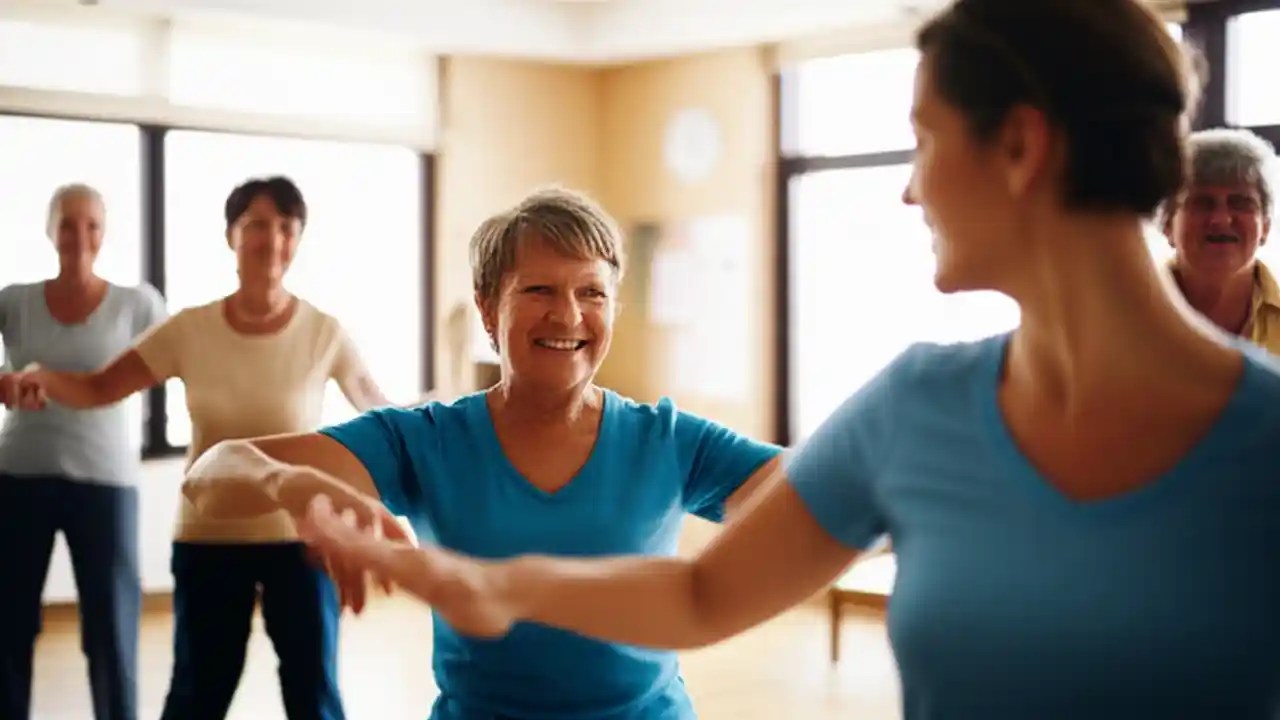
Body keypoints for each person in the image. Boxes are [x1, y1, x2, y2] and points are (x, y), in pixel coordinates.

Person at [298, 1, 1280, 718]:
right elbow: (699, 593)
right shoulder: (913, 410)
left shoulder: (1263, 441)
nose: (907, 191)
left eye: (922, 142)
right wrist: (495, 584)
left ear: (1019, 149)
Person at [176, 187, 782, 720]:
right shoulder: (425, 439)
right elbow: (211, 474)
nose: (568, 315)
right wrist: (289, 484)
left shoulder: (669, 439)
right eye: (539, 289)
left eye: (592, 293)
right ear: (489, 308)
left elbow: (817, 493)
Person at [1, 176, 399, 720]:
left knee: (315, 696)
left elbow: (378, 410)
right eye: (257, 225)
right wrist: (42, 376)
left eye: (287, 228)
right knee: (197, 697)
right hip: (210, 537)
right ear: (231, 236)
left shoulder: (324, 331)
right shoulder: (190, 329)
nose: (273, 240)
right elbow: (99, 387)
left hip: (301, 540)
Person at [0, 184, 166, 720]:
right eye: (68, 223)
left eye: (91, 224)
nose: (79, 235)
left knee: (112, 629)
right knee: (8, 626)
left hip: (107, 484)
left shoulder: (137, 304)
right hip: (19, 477)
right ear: (50, 231)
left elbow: (168, 364)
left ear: (105, 232)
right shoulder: (15, 301)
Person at [1161, 127, 1280, 352]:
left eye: (1240, 203)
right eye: (1202, 203)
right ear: (1167, 224)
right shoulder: (1121, 318)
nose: (1221, 219)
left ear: (1265, 226)